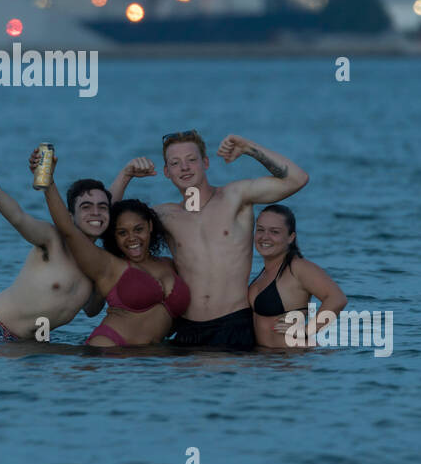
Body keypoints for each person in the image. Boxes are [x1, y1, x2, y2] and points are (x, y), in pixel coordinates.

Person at [111, 131, 308, 349]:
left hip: (234, 324)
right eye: (175, 163)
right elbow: (108, 223)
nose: (184, 167)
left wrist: (248, 148)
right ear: (167, 172)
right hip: (187, 329)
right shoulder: (164, 216)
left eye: (192, 160)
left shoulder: (235, 197)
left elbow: (297, 179)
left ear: (205, 162)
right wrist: (125, 175)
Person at [37, 148, 188, 347]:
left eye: (138, 229)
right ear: (114, 237)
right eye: (122, 233)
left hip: (152, 362)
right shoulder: (108, 266)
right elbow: (69, 231)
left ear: (150, 226)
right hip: (108, 352)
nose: (132, 238)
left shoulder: (170, 265)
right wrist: (47, 181)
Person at [0, 157, 114, 341]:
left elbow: (91, 310)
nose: (96, 213)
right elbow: (19, 218)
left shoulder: (97, 263)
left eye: (102, 207)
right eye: (86, 207)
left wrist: (105, 277)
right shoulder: (52, 240)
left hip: (35, 340)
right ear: (70, 216)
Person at [248, 204, 347, 349]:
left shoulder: (298, 268)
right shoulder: (264, 272)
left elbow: (337, 299)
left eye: (274, 232)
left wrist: (306, 331)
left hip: (293, 362)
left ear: (291, 237)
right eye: (260, 230)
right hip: (268, 363)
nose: (265, 237)